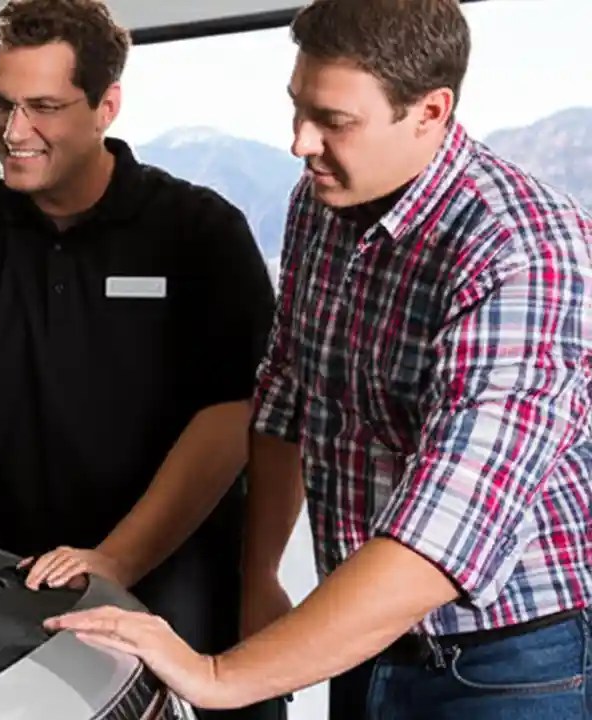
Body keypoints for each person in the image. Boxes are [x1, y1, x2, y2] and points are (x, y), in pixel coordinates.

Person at [45, 0, 592, 717]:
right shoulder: (319, 206)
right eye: (298, 108)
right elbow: (287, 396)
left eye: (334, 121)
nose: (301, 142)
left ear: (431, 111)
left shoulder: (522, 250)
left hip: (507, 663)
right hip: (360, 641)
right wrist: (262, 572)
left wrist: (218, 675)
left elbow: (447, 534)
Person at [0, 0, 279, 717]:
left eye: (43, 107)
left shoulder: (199, 231)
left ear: (107, 106)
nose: (12, 131)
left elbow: (229, 419)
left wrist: (118, 559)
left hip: (182, 589)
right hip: (21, 586)